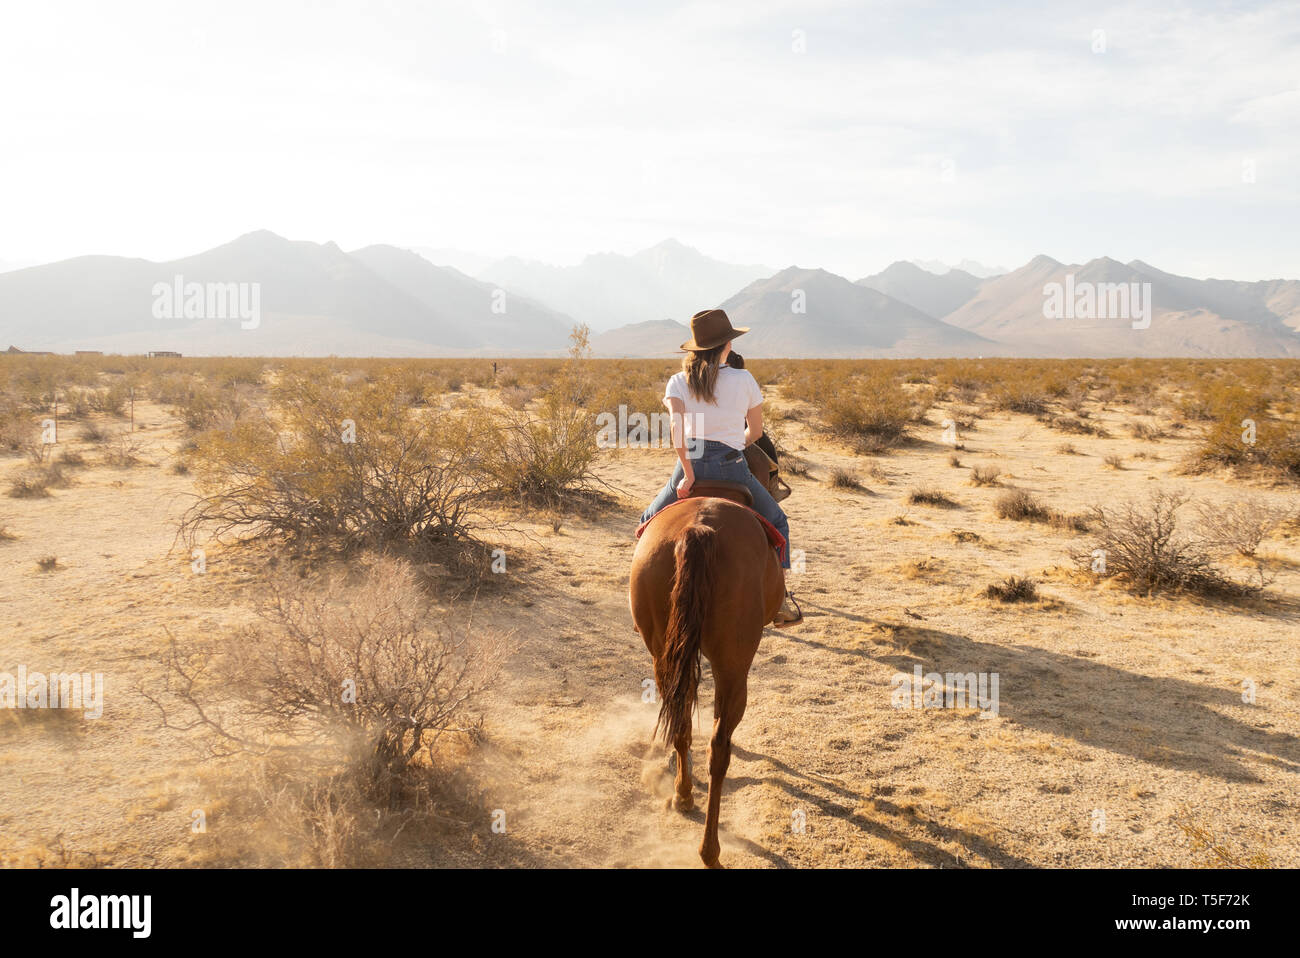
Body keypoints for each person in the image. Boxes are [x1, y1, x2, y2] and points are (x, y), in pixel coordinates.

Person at [639, 308, 802, 625]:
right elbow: (755, 432)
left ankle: (642, 600)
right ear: (727, 345)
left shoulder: (677, 381)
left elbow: (676, 430)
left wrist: (688, 471)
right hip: (732, 465)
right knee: (778, 523)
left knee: (648, 521)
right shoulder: (744, 379)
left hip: (689, 466)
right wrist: (730, 445)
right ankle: (780, 600)